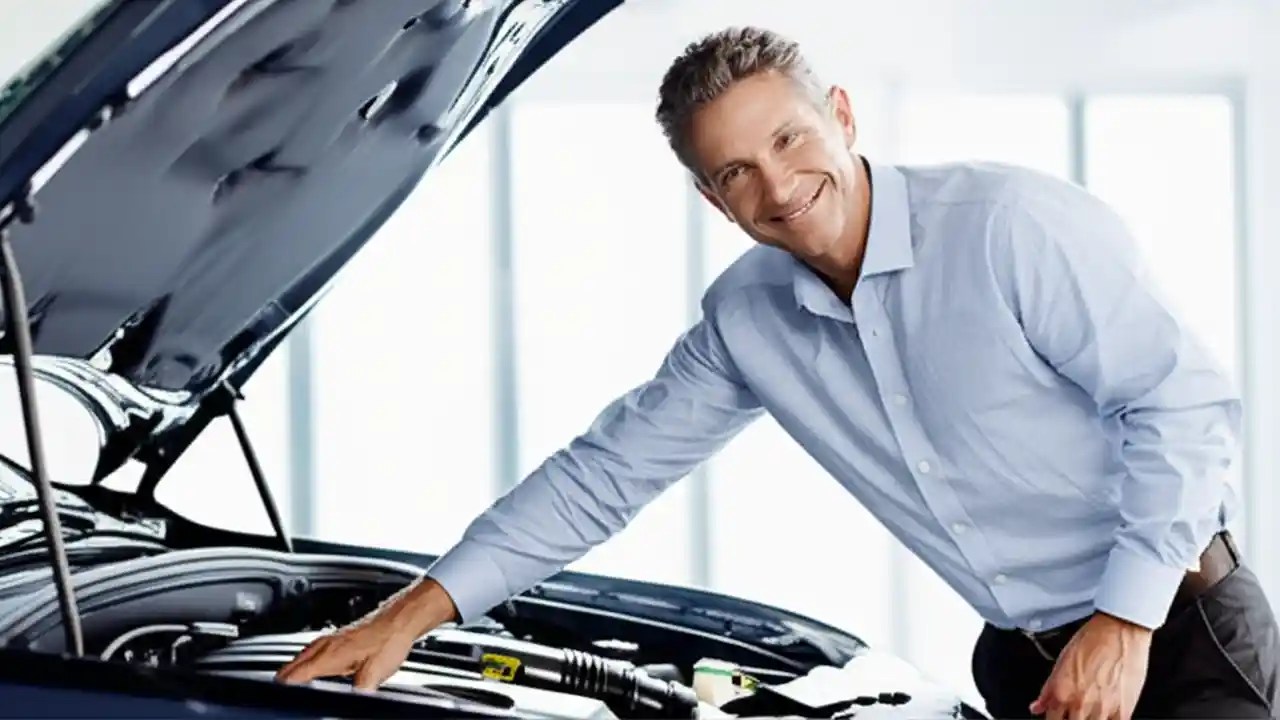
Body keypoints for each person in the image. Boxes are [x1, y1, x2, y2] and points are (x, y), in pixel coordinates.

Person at [277, 26, 1279, 719]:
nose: (776, 186)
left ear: (839, 114)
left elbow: (1179, 408)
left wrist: (1121, 621)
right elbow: (601, 477)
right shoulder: (745, 318)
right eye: (733, 172)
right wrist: (402, 619)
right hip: (1019, 657)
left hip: (1178, 625)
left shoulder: (1008, 228)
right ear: (711, 199)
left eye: (788, 137)